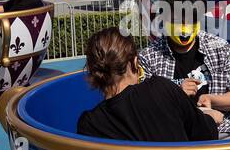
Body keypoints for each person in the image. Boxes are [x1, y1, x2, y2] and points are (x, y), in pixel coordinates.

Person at [138, 0, 230, 139]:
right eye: (177, 21)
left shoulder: (220, 48)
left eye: (191, 19)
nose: (184, 27)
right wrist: (175, 93)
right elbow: (140, 103)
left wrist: (211, 99)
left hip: (219, 127)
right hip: (170, 131)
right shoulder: (149, 56)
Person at [76, 28, 221, 142]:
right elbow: (205, 135)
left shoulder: (89, 124)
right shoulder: (160, 89)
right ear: (134, 62)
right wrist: (210, 116)